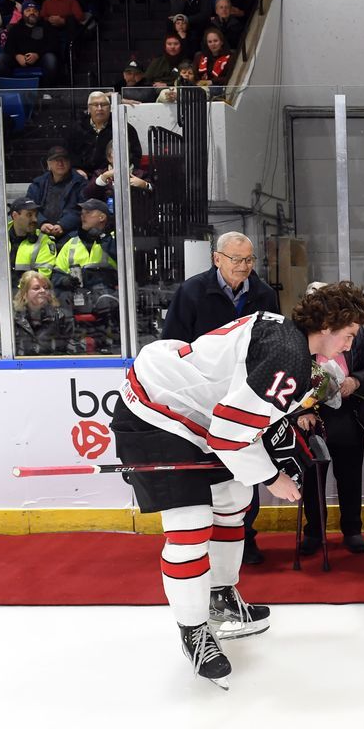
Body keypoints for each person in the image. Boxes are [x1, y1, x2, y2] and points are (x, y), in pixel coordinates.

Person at [110, 283, 364, 688]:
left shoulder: (285, 334)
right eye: (348, 336)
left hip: (198, 417)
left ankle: (221, 596)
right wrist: (274, 477)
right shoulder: (287, 356)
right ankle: (194, 631)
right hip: (155, 412)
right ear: (326, 325)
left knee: (234, 498)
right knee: (191, 526)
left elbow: (239, 419)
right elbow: (230, 435)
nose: (345, 348)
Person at [162, 232, 280, 565]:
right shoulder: (191, 292)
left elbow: (273, 342)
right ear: (217, 258)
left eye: (249, 260)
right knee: (206, 471)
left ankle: (246, 536)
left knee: (245, 466)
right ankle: (207, 537)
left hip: (244, 396)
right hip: (200, 398)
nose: (244, 267)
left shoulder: (264, 294)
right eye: (236, 260)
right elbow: (172, 345)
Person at [295, 281, 364, 557]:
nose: (348, 343)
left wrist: (355, 381)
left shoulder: (354, 332)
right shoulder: (298, 338)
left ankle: (352, 529)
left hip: (347, 410)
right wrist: (303, 411)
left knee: (350, 473)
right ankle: (314, 531)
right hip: (312, 414)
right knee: (312, 475)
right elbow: (289, 383)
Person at [51, 198, 118, 351]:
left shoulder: (116, 239)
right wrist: (65, 280)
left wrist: (102, 237)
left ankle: (109, 345)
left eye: (88, 212)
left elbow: (126, 261)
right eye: (82, 212)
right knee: (59, 298)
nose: (83, 215)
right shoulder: (72, 242)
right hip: (76, 297)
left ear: (102, 217)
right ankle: (67, 345)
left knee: (105, 299)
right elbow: (55, 275)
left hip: (105, 299)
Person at [0, 197, 57, 306]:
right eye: (29, 215)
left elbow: (40, 277)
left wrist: (11, 295)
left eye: (35, 215)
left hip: (31, 302)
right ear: (15, 216)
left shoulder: (44, 241)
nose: (35, 220)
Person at [65, 91, 143, 176]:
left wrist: (117, 172)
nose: (99, 108)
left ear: (110, 107)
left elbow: (135, 155)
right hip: (83, 175)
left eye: (104, 105)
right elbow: (68, 153)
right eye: (95, 105)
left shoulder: (123, 127)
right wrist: (76, 169)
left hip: (112, 175)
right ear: (89, 108)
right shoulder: (77, 128)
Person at [8, 269, 82, 355]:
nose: (43, 291)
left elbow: (74, 353)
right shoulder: (11, 318)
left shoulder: (62, 317)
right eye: (36, 288)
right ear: (24, 293)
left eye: (46, 288)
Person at [26, 145, 87, 245]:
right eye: (56, 160)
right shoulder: (38, 184)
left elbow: (82, 210)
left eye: (64, 159)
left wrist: (63, 225)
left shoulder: (80, 184)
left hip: (71, 234)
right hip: (41, 233)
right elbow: (30, 207)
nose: (60, 163)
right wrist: (42, 223)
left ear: (69, 162)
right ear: (48, 164)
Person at [0, 0, 60, 84]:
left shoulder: (46, 26)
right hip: (20, 60)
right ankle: (9, 88)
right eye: (28, 10)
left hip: (40, 58)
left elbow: (53, 44)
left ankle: (47, 91)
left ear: (38, 13)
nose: (32, 13)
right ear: (23, 13)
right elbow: (8, 47)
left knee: (51, 58)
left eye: (35, 10)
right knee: (0, 58)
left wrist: (37, 55)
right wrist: (17, 56)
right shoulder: (15, 28)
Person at [194, 25, 234, 94]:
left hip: (221, 90)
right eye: (210, 42)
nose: (213, 44)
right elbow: (195, 75)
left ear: (221, 42)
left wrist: (211, 82)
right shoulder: (199, 56)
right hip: (201, 89)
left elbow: (231, 77)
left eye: (215, 41)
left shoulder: (230, 57)